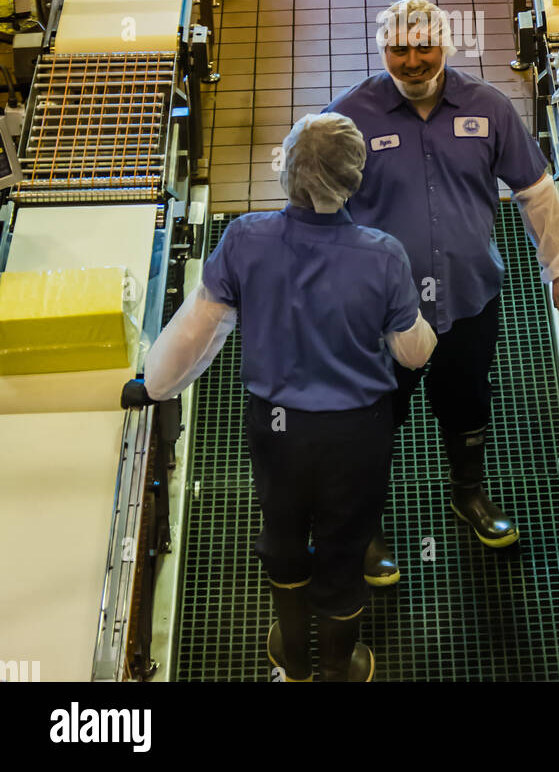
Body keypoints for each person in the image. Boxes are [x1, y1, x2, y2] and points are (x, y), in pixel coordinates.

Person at [121, 113, 436, 683]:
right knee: (344, 545)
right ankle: (341, 665)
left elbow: (198, 332)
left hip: (278, 429)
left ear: (288, 171)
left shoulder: (245, 238)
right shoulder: (383, 254)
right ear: (354, 176)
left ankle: (293, 660)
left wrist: (153, 386)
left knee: (284, 533)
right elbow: (413, 352)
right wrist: (421, 328)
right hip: (356, 433)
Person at [327, 0, 559, 584]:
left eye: (424, 46)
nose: (412, 61)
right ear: (383, 51)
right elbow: (316, 206)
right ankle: (361, 524)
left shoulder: (488, 108)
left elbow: (535, 190)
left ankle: (468, 493)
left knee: (467, 404)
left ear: (445, 43)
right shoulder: (350, 118)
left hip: (468, 298)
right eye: (398, 49)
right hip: (382, 313)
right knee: (369, 417)